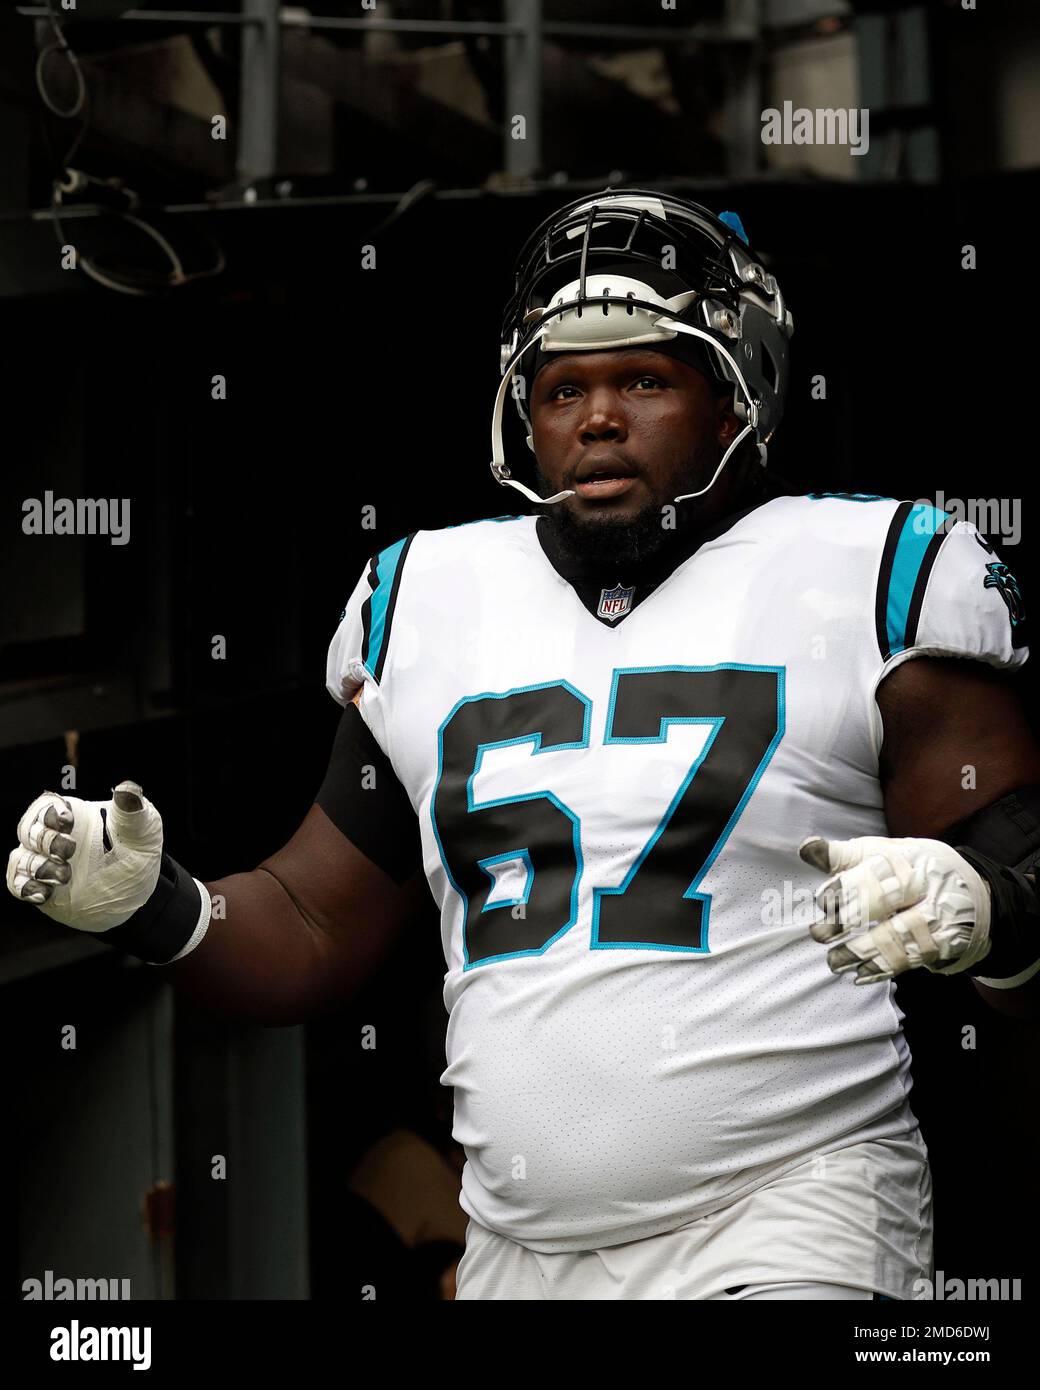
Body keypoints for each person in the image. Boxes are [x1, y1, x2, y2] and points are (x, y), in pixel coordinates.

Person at [9, 190, 1040, 1301]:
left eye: (644, 378)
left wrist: (993, 912)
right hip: (519, 1247)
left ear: (738, 396)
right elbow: (314, 921)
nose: (597, 418)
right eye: (562, 388)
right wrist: (157, 906)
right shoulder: (426, 598)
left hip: (788, 1215)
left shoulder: (869, 573)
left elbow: (1024, 875)